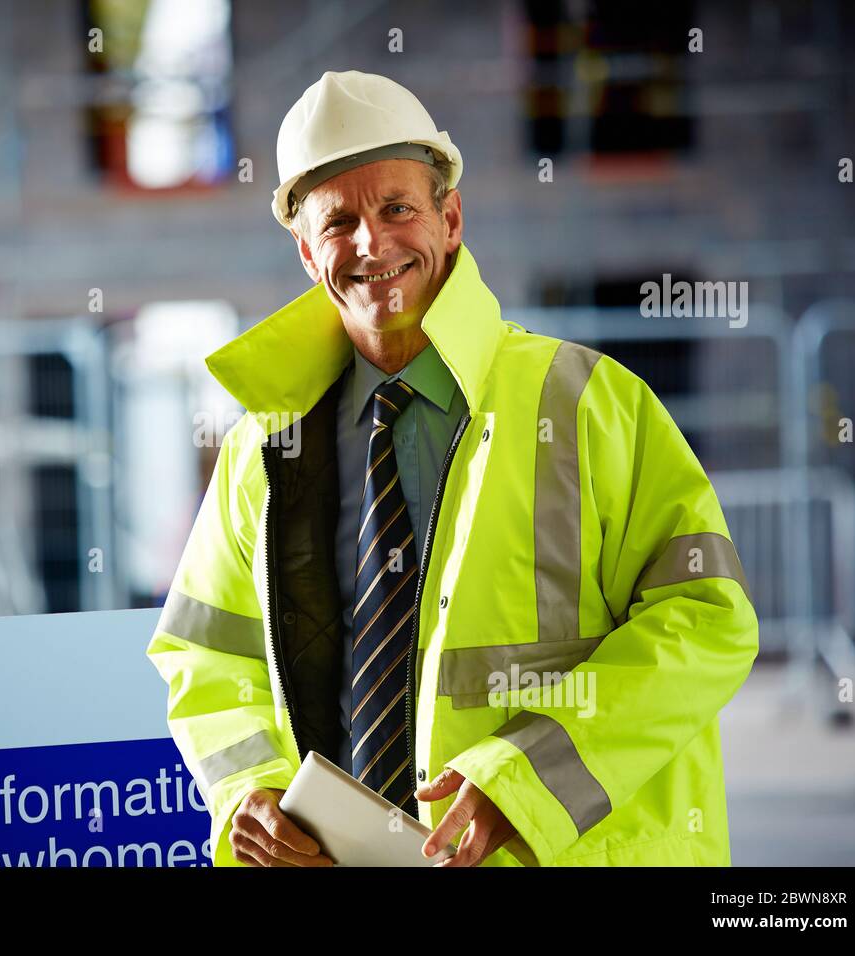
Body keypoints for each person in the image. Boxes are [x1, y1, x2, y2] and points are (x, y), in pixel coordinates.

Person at [146, 70, 758, 867]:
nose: (372, 243)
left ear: (452, 218)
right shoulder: (263, 448)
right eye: (339, 223)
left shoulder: (589, 403)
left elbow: (709, 619)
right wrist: (249, 789)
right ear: (306, 253)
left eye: (398, 208)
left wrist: (531, 779)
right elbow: (206, 654)